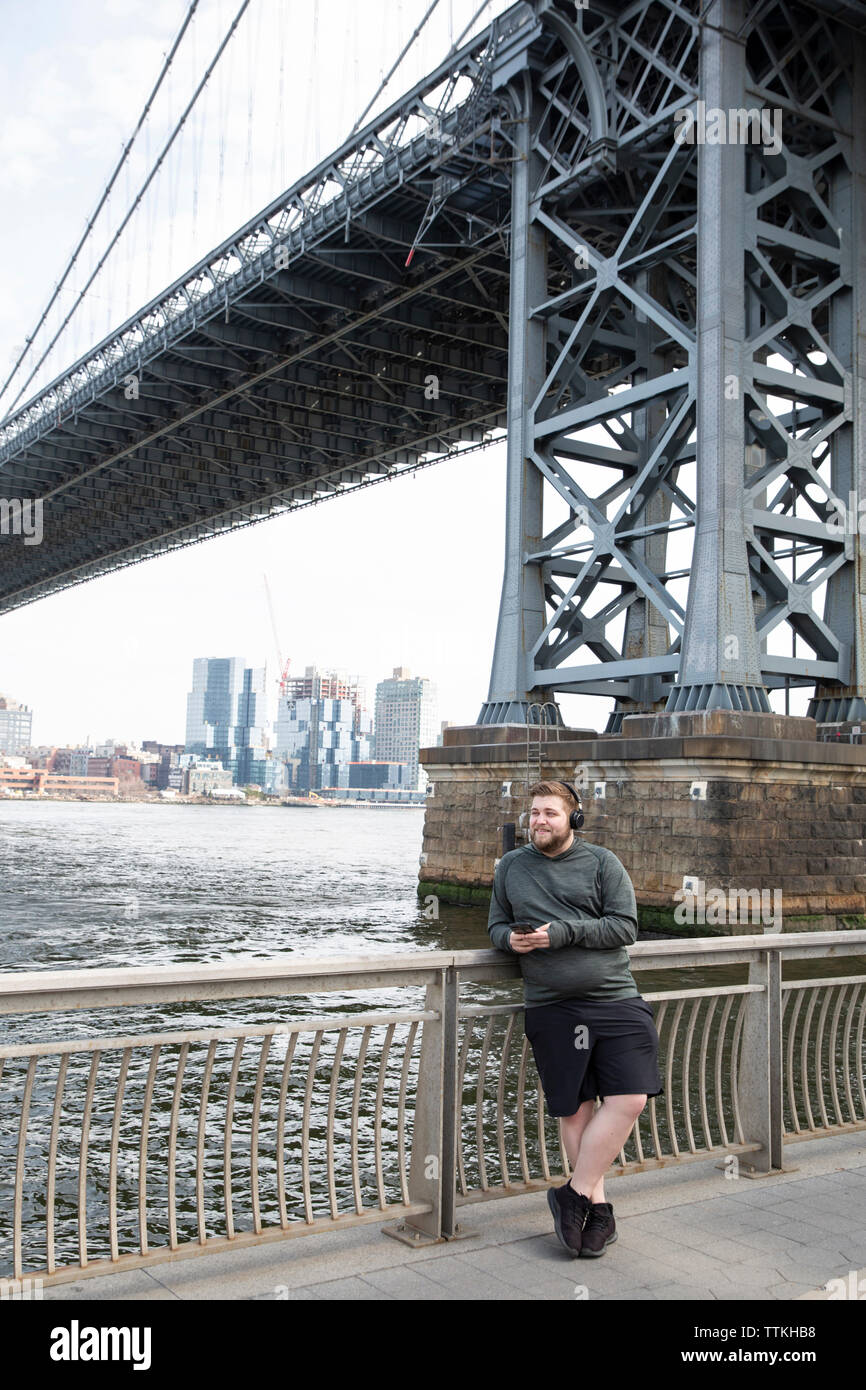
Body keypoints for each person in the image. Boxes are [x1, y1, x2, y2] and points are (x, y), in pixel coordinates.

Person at [487, 779, 663, 1258]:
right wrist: (510, 941)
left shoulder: (602, 863)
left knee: (630, 1098)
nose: (539, 821)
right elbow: (496, 924)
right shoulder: (512, 868)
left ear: (573, 820)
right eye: (535, 813)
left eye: (550, 813)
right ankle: (596, 1209)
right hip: (552, 1006)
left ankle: (572, 1194)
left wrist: (562, 933)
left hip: (616, 999)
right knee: (576, 1109)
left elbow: (625, 925)